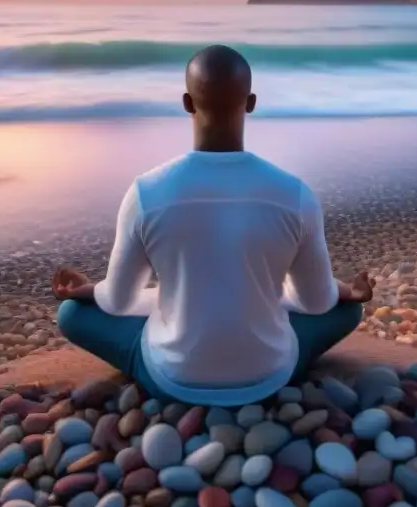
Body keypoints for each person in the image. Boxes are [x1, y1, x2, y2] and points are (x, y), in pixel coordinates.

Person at [52, 44, 374, 405]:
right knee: (347, 309)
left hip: (172, 379)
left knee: (71, 314)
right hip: (270, 374)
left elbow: (119, 301)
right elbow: (316, 304)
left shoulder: (146, 192)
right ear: (250, 102)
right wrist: (344, 291)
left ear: (187, 103)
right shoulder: (294, 194)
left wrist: (89, 291)